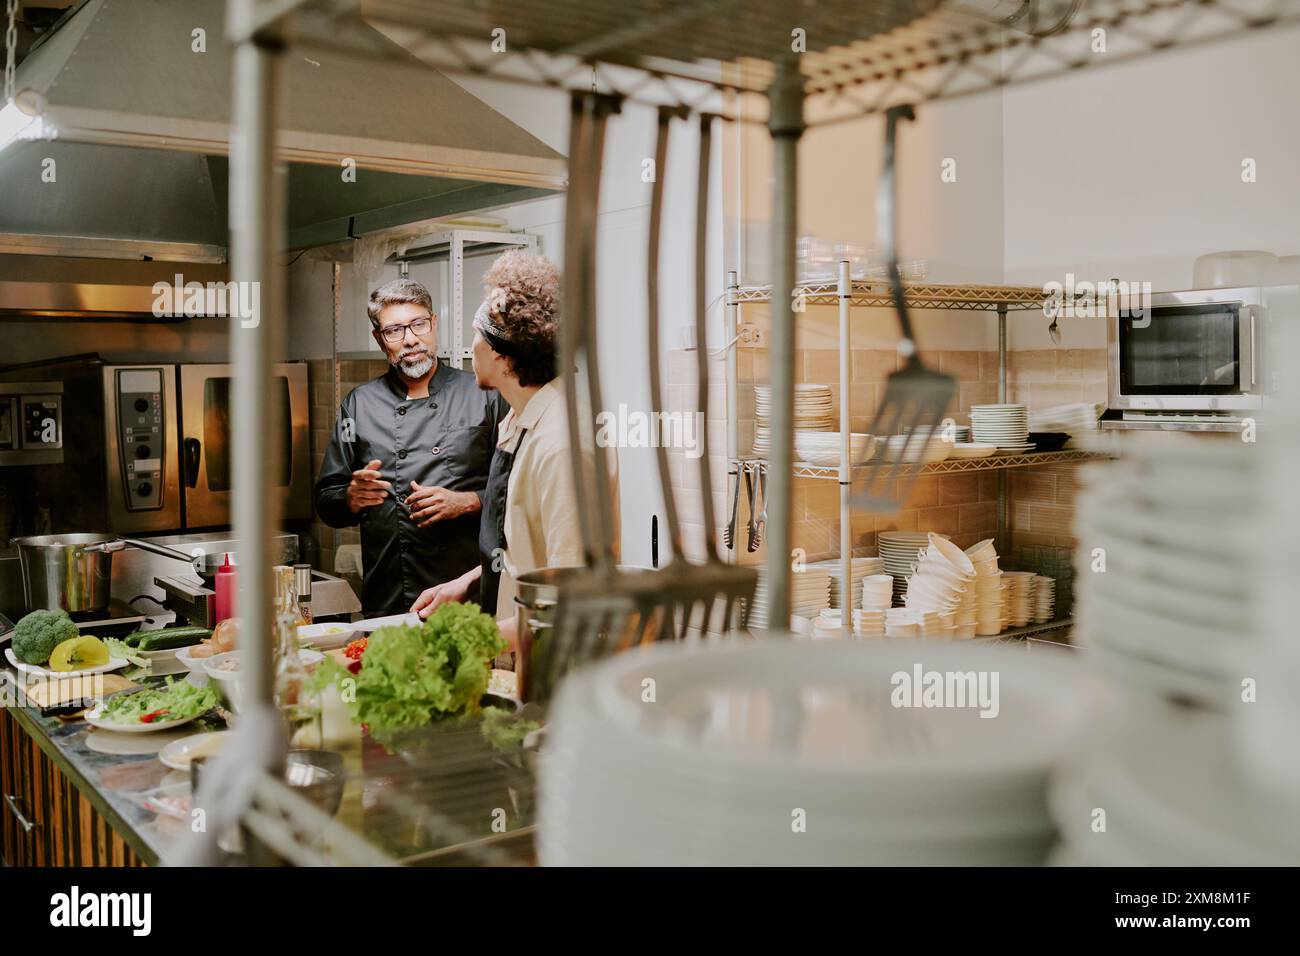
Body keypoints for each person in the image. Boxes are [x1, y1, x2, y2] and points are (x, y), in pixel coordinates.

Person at [410, 251, 617, 642]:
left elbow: (568, 600)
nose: (470, 346)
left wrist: (469, 642)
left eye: (477, 335)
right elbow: (524, 548)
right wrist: (474, 582)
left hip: (553, 674)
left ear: (503, 357)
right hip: (519, 656)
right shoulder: (519, 421)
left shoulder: (563, 444)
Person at [314, 278, 508, 615]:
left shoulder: (484, 395)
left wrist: (468, 501)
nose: (410, 340)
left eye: (418, 324)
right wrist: (350, 497)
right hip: (391, 591)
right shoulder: (359, 405)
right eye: (394, 331)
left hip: (467, 590)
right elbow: (326, 500)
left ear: (433, 324)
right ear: (379, 339)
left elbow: (518, 492)